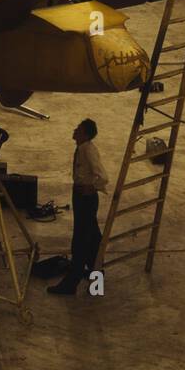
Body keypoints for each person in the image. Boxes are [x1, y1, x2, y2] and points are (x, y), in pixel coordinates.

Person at [49, 118, 109, 295]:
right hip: (81, 195)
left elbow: (103, 176)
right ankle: (96, 274)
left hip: (85, 197)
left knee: (81, 240)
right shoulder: (82, 148)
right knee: (92, 236)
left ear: (86, 134)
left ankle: (72, 281)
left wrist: (93, 186)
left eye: (79, 129)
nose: (75, 131)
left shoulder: (88, 150)